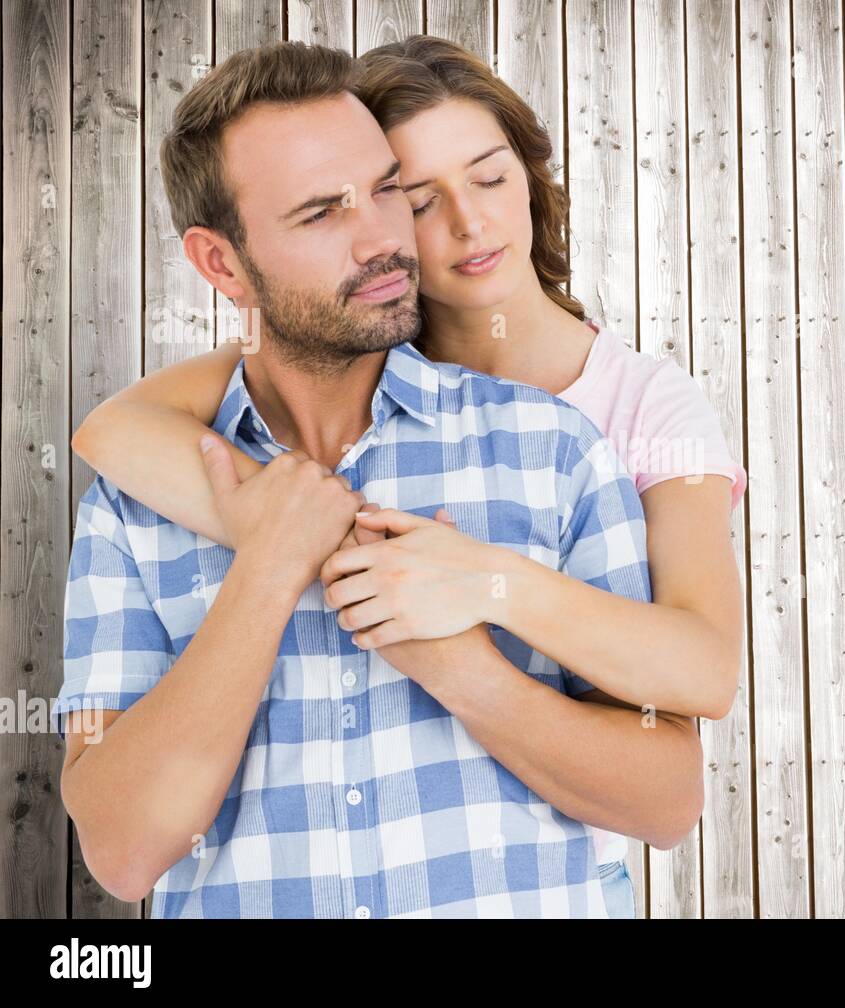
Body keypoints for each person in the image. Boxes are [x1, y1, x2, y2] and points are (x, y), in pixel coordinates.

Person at [70, 36, 748, 915]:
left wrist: (471, 627)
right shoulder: (140, 492)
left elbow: (678, 767)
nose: (387, 236)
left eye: (387, 192)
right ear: (220, 265)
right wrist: (272, 561)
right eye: (323, 212)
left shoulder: (568, 442)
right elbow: (121, 858)